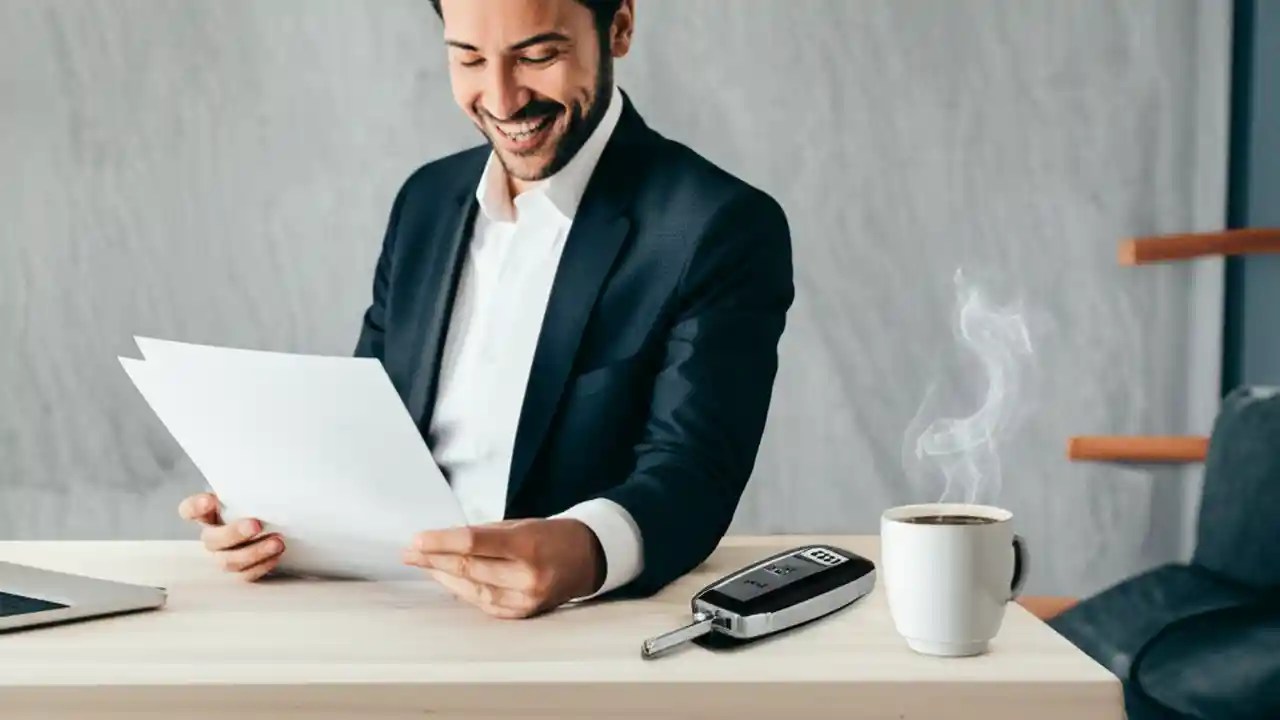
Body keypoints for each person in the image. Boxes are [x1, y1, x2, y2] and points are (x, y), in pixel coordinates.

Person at [177, 0, 794, 618]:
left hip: (579, 632)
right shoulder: (425, 200)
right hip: (384, 611)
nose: (502, 99)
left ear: (620, 26)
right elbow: (370, 425)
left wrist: (583, 551)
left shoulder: (718, 226)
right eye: (469, 58)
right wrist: (273, 518)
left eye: (537, 55)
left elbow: (694, 474)